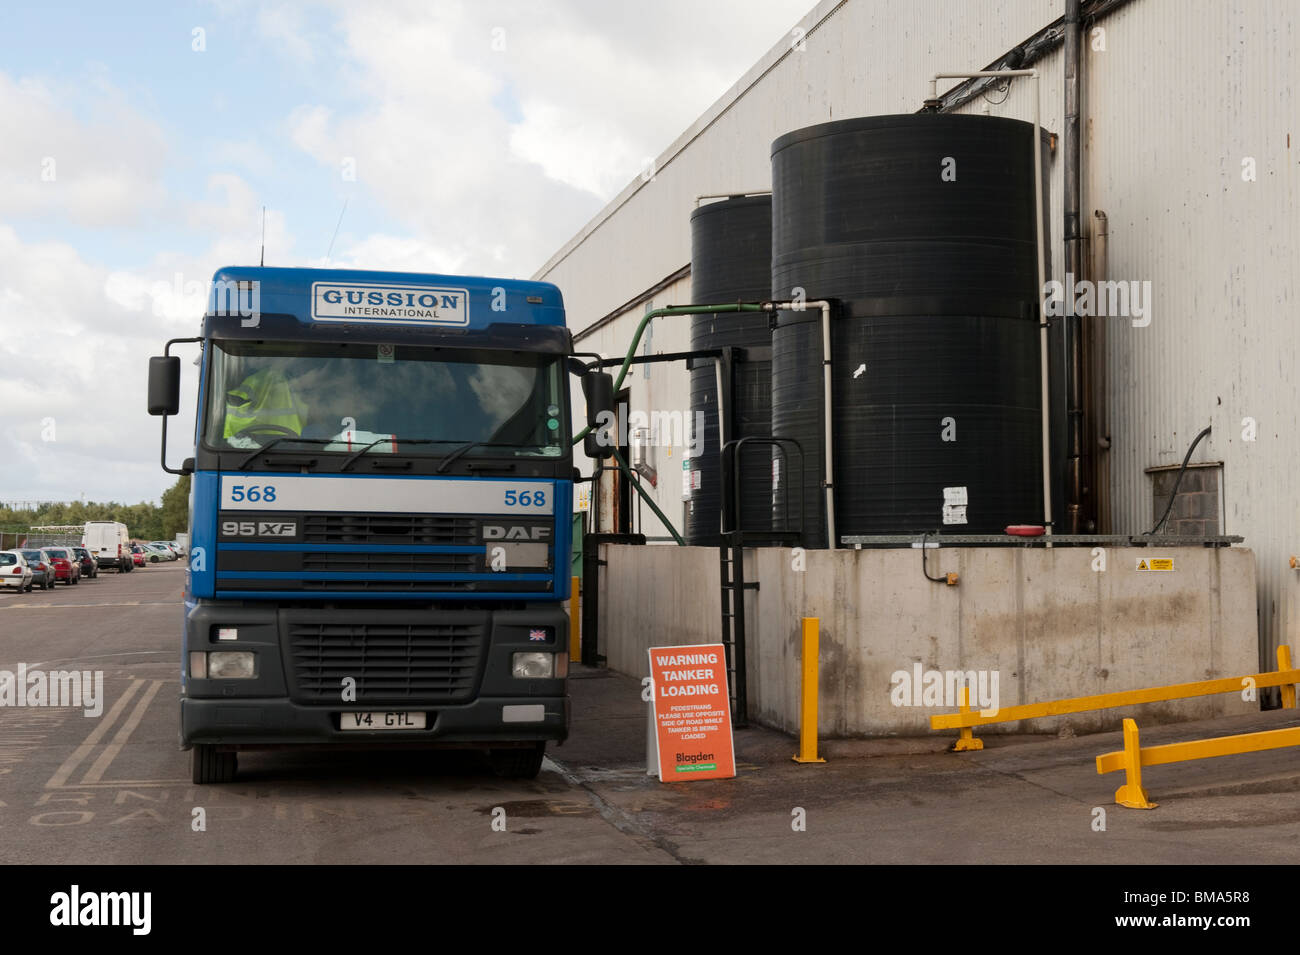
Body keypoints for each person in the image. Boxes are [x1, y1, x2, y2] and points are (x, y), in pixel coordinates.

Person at [222, 366, 307, 443]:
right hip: (293, 445)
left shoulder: (255, 381)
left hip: (292, 447)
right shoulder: (299, 385)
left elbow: (234, 399)